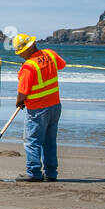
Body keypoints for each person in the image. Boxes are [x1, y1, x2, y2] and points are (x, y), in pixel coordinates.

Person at [12, 34, 67, 182]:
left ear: (28, 49)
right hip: (55, 105)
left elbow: (22, 92)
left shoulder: (29, 67)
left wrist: (19, 102)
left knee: (32, 140)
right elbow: (62, 65)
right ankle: (50, 173)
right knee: (49, 141)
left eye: (21, 52)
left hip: (37, 109)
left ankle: (34, 172)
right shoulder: (50, 54)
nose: (21, 55)